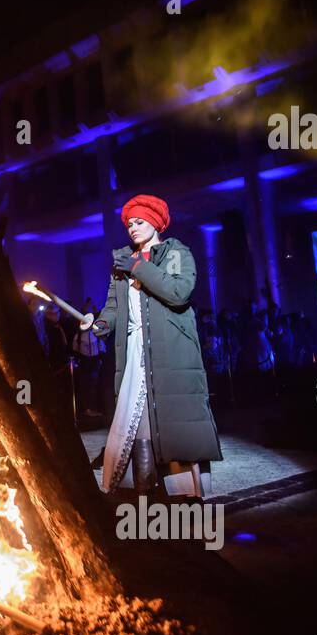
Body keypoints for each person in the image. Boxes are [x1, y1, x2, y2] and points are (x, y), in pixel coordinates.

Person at [89, 194, 222, 499]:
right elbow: (113, 305)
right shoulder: (122, 260)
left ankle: (183, 497)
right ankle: (142, 493)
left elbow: (178, 291)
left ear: (156, 222)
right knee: (137, 423)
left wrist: (138, 267)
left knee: (174, 421)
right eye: (129, 224)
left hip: (171, 351)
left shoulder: (175, 252)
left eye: (139, 222)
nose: (133, 228)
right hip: (134, 350)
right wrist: (101, 324)